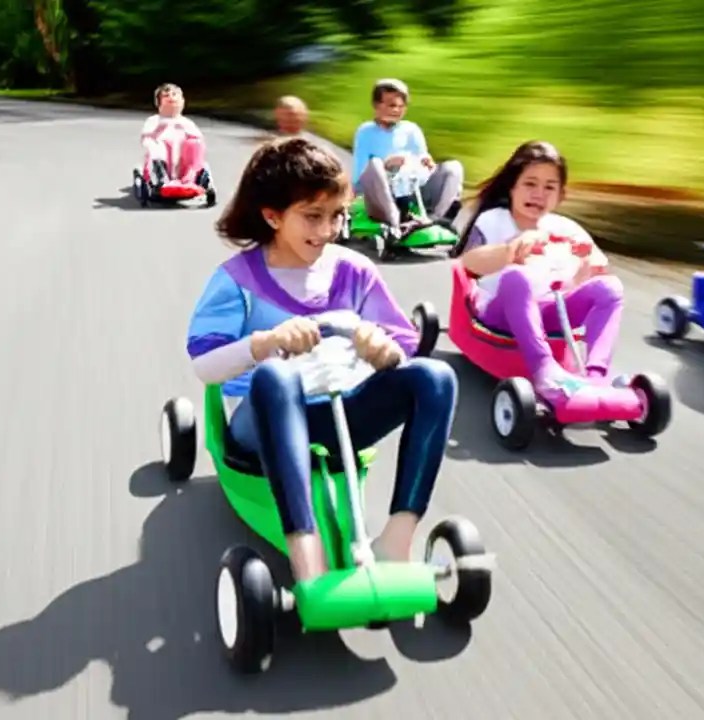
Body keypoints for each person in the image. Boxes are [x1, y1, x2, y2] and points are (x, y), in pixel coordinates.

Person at [186, 137, 458, 584]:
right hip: (263, 419)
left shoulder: (353, 270)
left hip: (340, 409)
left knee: (435, 376)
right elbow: (205, 367)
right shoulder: (238, 279)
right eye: (313, 217)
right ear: (272, 216)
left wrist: (379, 349)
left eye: (337, 215)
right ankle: (308, 561)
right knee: (276, 378)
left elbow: (402, 343)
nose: (328, 229)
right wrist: (264, 342)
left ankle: (395, 542)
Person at [451, 141, 624, 414]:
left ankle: (596, 374)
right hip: (499, 313)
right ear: (512, 187)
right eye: (530, 184)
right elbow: (468, 264)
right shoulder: (494, 220)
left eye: (549, 187)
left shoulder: (566, 228)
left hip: (548, 313)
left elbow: (583, 280)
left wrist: (587, 264)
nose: (539, 195)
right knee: (516, 278)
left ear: (560, 195)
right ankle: (544, 371)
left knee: (610, 288)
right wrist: (510, 250)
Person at [351, 78, 464, 235]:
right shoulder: (365, 132)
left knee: (454, 167)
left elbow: (422, 160)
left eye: (401, 106)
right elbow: (359, 177)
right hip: (380, 195)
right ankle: (394, 222)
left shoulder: (411, 130)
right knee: (375, 164)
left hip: (412, 190)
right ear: (377, 105)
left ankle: (435, 218)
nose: (396, 110)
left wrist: (426, 162)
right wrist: (386, 165)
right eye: (392, 105)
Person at [141, 83, 205, 186]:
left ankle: (190, 178)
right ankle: (161, 177)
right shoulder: (154, 120)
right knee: (158, 147)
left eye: (174, 94)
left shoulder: (186, 122)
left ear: (182, 101)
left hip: (182, 160)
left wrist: (189, 134)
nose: (171, 97)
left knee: (195, 143)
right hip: (162, 157)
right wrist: (158, 130)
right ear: (159, 103)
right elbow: (146, 139)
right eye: (166, 96)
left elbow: (198, 137)